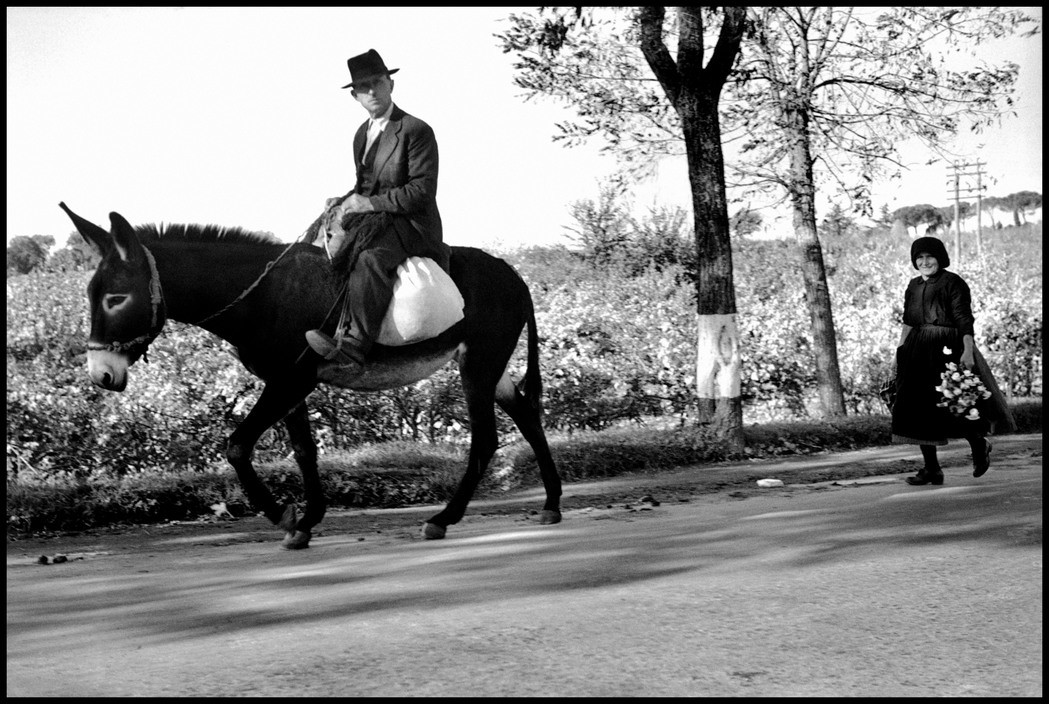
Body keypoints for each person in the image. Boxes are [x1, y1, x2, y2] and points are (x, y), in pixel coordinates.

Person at [305, 49, 450, 373]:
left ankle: (354, 346)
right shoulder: (361, 134)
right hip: (378, 217)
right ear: (354, 95)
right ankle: (323, 325)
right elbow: (366, 185)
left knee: (369, 258)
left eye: (377, 82)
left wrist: (367, 204)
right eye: (364, 86)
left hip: (412, 224)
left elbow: (421, 192)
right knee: (317, 244)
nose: (372, 91)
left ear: (391, 85)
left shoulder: (415, 130)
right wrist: (343, 200)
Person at [890, 236, 1014, 485]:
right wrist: (898, 353)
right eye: (919, 258)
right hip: (916, 350)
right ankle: (931, 468)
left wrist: (967, 352)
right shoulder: (913, 286)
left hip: (947, 348)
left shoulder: (953, 283)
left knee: (957, 402)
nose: (925, 262)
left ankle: (979, 445)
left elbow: (964, 320)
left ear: (940, 258)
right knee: (919, 408)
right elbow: (908, 321)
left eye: (930, 257)